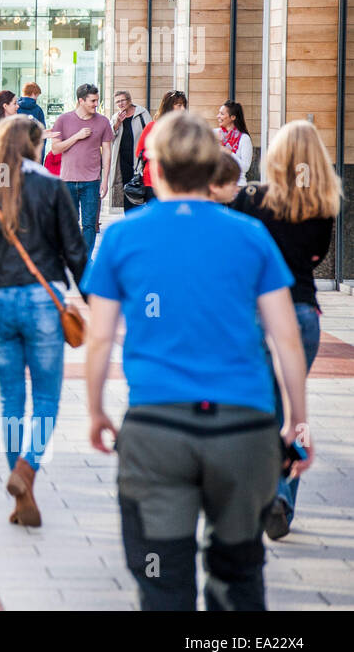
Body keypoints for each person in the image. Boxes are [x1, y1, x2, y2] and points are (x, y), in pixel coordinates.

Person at [84, 112, 311, 611]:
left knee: (161, 576)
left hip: (157, 428)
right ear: (213, 170)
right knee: (239, 573)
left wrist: (97, 409)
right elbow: (286, 338)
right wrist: (296, 420)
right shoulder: (250, 236)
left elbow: (99, 339)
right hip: (245, 428)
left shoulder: (123, 238)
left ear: (155, 169)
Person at [0, 116, 88, 528]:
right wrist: (96, 301)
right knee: (46, 399)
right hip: (42, 300)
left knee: (11, 402)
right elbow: (75, 253)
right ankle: (28, 469)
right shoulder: (51, 187)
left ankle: (23, 496)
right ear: (34, 145)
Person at [232, 120, 340, 541]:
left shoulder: (251, 198)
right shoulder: (323, 203)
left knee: (266, 408)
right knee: (294, 410)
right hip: (302, 313)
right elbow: (316, 257)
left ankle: (267, 492)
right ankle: (283, 497)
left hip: (257, 312)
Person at [50, 83, 113, 259]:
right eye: (92, 101)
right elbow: (55, 149)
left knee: (89, 225)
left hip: (92, 182)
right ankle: (71, 257)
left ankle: (84, 260)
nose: (95, 104)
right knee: (68, 224)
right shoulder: (63, 120)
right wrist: (77, 136)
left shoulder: (103, 122)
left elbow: (107, 152)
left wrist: (105, 179)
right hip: (67, 180)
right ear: (81, 100)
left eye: (97, 100)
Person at [134, 90, 187, 204]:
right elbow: (140, 152)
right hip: (153, 181)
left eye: (184, 105)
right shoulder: (153, 126)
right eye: (179, 105)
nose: (183, 109)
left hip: (178, 182)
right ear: (169, 106)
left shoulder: (185, 129)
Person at [110, 91, 151, 213]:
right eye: (118, 102)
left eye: (123, 100)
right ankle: (128, 217)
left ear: (129, 100)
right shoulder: (115, 117)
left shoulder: (142, 113)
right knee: (127, 190)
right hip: (123, 161)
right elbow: (109, 137)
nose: (121, 104)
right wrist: (117, 123)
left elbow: (150, 132)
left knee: (139, 190)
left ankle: (139, 218)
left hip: (139, 160)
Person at [218, 100, 253, 187]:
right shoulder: (216, 134)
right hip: (218, 186)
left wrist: (228, 153)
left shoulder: (244, 139)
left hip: (237, 186)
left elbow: (245, 167)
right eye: (219, 113)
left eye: (222, 114)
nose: (218, 116)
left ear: (233, 117)